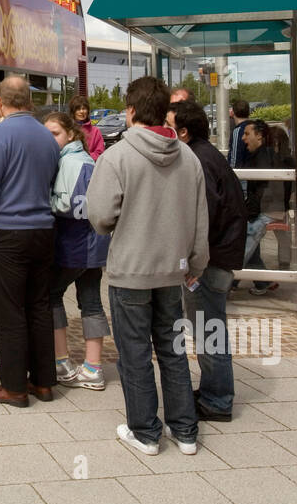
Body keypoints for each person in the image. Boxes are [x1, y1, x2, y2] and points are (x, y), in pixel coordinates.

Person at [87, 76, 207, 457]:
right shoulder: (188, 157)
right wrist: (196, 262)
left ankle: (145, 432)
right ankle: (184, 430)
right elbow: (200, 218)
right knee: (172, 350)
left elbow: (101, 216)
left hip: (130, 270)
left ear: (133, 110)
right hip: (173, 270)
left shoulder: (116, 156)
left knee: (135, 354)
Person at [0, 75, 61, 406]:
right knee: (39, 307)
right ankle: (43, 383)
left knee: (9, 311)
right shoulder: (47, 137)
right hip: (43, 231)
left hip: (7, 233)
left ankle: (13, 387)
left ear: (0, 101)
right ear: (30, 101)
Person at [170, 100, 245, 421]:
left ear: (183, 132)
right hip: (217, 256)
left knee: (209, 330)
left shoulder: (196, 161)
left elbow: (203, 218)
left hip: (209, 261)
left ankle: (217, 400)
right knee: (209, 328)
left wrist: (190, 262)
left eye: (168, 124)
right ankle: (215, 391)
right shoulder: (204, 155)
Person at [43, 111, 110, 391]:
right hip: (93, 246)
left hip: (75, 244)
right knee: (91, 300)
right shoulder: (85, 159)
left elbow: (74, 204)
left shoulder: (72, 162)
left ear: (71, 134)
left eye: (55, 133)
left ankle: (62, 362)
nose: (50, 139)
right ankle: (92, 367)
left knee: (52, 296)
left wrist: (45, 199)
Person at [244, 121, 296, 291]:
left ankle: (226, 282)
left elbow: (262, 190)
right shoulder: (274, 158)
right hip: (275, 208)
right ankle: (264, 280)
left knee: (247, 242)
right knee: (252, 244)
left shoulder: (265, 159)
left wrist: (249, 211)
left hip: (269, 209)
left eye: (246, 134)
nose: (244, 138)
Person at [68, 95, 106, 161]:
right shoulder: (68, 129)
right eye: (78, 109)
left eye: (84, 108)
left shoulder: (95, 131)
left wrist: (85, 158)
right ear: (73, 112)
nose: (81, 111)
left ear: (88, 111)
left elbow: (100, 153)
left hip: (89, 166)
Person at [227, 100, 253, 169]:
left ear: (233, 113)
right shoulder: (255, 127)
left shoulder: (237, 132)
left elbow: (235, 160)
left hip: (242, 175)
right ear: (249, 112)